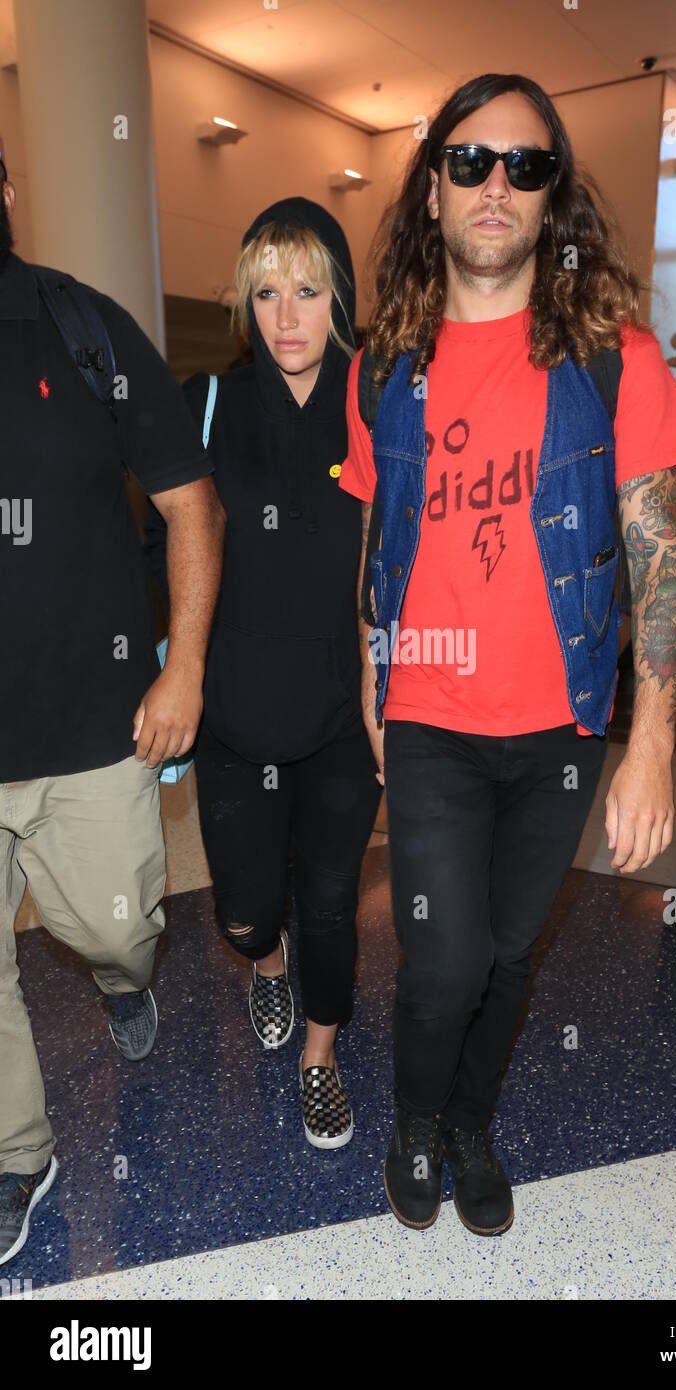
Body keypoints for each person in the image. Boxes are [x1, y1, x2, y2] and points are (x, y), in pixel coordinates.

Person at [340, 74, 676, 1235]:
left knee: (505, 960)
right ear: (432, 190)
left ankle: (468, 1124)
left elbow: (657, 555)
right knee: (441, 962)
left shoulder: (611, 361)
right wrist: (370, 667)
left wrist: (649, 747)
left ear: (551, 202)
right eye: (470, 161)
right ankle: (412, 1117)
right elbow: (374, 532)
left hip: (557, 727)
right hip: (433, 717)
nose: (496, 184)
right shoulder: (381, 366)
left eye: (526, 166)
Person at [0, 146, 225, 1265]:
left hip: (95, 728)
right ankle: (18, 1155)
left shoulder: (82, 330)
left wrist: (181, 668)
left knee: (117, 927)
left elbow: (191, 502)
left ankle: (124, 978)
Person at [146, 199, 381, 1150]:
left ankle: (320, 1057)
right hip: (235, 714)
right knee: (246, 914)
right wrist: (168, 668)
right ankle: (267, 962)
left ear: (340, 299)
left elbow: (404, 551)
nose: (288, 315)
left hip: (339, 717)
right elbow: (156, 541)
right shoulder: (207, 402)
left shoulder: (374, 402)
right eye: (268, 292)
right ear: (247, 305)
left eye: (309, 290)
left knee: (330, 899)